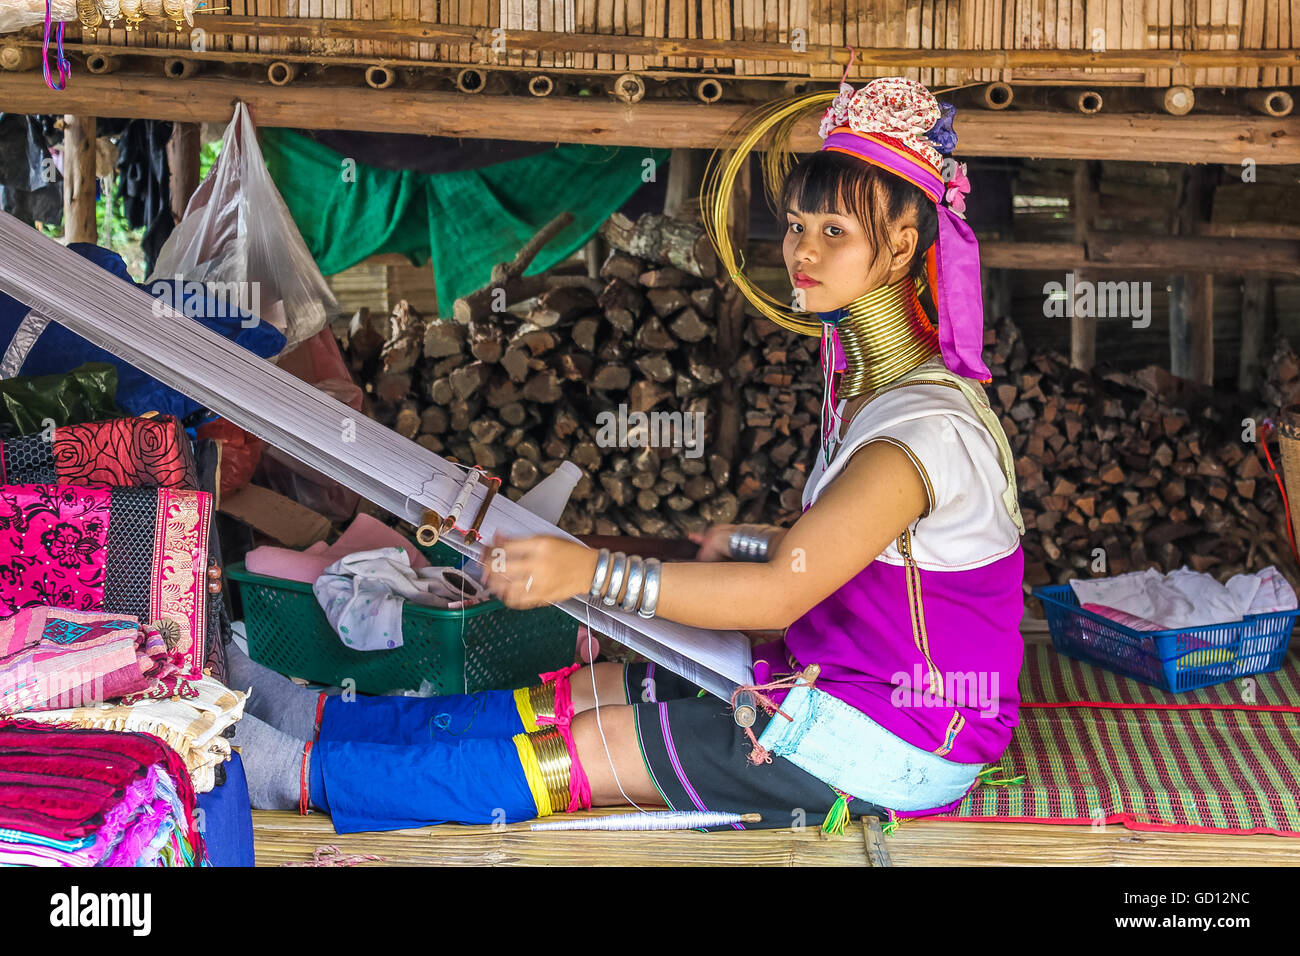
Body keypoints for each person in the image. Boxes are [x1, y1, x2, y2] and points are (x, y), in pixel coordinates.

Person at [227, 71, 1026, 835]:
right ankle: (322, 720)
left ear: (900, 248)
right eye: (795, 226)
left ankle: (302, 776)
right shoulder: (872, 395)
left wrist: (588, 574)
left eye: (834, 232)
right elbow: (847, 561)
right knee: (588, 690)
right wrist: (743, 543)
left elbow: (782, 596)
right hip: (832, 682)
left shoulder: (919, 432)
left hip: (902, 740)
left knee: (587, 746)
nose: (801, 252)